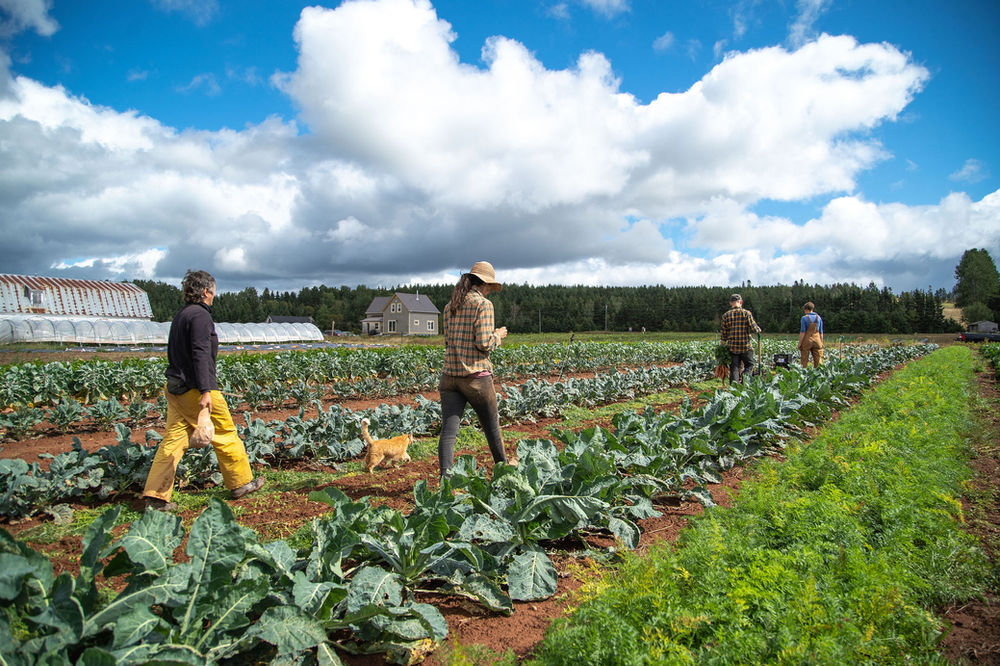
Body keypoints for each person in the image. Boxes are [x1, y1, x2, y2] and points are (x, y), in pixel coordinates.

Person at [142, 270, 265, 510]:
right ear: (207, 291)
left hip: (176, 387)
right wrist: (206, 391)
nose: (215, 295)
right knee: (226, 431)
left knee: (174, 440)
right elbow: (200, 353)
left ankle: (155, 496)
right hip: (196, 388)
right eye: (214, 290)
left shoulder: (181, 315)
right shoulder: (200, 316)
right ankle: (241, 483)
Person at [438, 261, 514, 477]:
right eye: (490, 286)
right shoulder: (483, 305)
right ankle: (505, 472)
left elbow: (448, 342)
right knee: (492, 428)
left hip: (449, 377)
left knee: (448, 433)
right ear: (484, 284)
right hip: (475, 378)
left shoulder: (449, 306)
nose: (490, 290)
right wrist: (498, 336)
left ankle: (446, 479)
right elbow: (482, 343)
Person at [720, 293, 762, 383]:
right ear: (741, 302)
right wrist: (758, 330)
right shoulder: (746, 313)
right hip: (745, 346)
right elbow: (754, 329)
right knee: (749, 365)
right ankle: (745, 383)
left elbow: (723, 335)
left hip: (732, 347)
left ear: (731, 303)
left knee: (734, 368)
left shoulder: (726, 315)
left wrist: (722, 347)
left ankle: (734, 388)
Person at [798, 301, 824, 368]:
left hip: (807, 341)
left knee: (804, 359)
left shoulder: (804, 318)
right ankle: (819, 373)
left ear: (806, 309)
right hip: (817, 340)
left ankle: (803, 373)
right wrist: (821, 342)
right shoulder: (819, 318)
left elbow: (802, 332)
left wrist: (800, 343)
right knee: (818, 359)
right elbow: (821, 332)